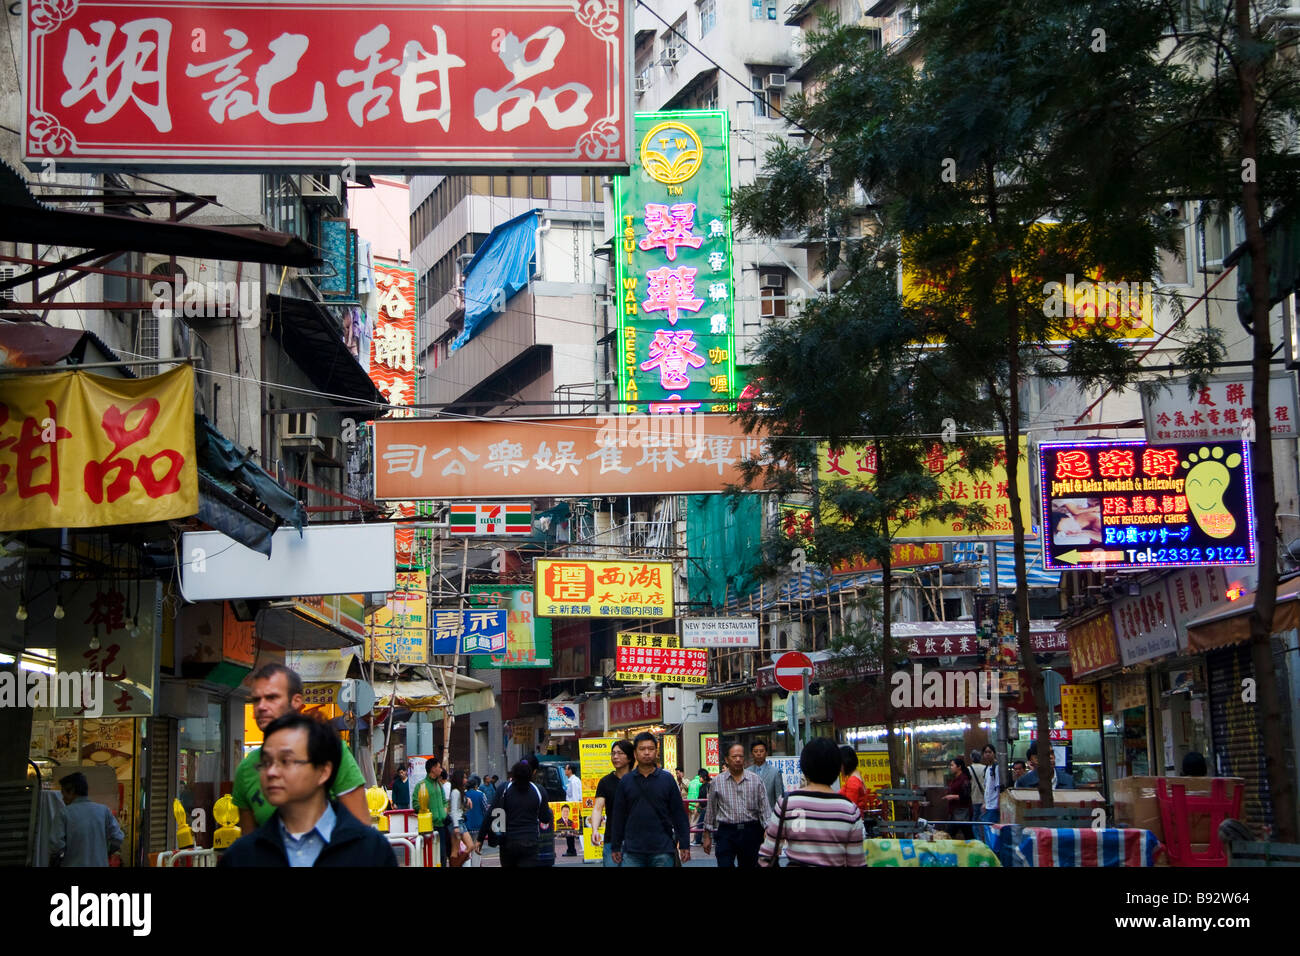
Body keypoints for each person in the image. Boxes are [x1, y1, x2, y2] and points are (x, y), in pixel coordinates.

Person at [219, 713, 397, 867]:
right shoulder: (241, 856)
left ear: (323, 771)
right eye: (266, 762)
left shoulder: (371, 850)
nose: (271, 772)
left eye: (286, 761)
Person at [233, 664, 369, 833]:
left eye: (272, 697)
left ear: (296, 701)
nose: (261, 706)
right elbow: (250, 848)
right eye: (256, 699)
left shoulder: (332, 751)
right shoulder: (246, 769)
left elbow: (362, 833)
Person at [758, 738, 866, 867]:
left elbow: (767, 856)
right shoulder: (850, 810)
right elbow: (857, 863)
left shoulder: (787, 804)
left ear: (804, 766)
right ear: (838, 768)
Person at [608, 732, 692, 867]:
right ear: (635, 753)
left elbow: (678, 815)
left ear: (656, 752)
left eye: (651, 749)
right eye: (642, 749)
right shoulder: (626, 781)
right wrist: (616, 845)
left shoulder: (667, 779)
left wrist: (684, 844)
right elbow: (618, 816)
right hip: (632, 850)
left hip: (662, 849)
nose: (647, 753)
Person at [702, 742, 770, 867]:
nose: (738, 759)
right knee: (724, 863)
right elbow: (711, 810)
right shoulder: (717, 782)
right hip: (726, 832)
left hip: (751, 831)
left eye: (741, 756)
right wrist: (707, 835)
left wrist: (767, 829)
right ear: (727, 760)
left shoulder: (755, 780)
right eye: (734, 757)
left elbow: (764, 808)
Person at [477, 760, 553, 868]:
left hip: (508, 841)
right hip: (530, 840)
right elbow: (545, 818)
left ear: (513, 774)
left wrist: (480, 839)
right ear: (531, 774)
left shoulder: (504, 789)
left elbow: (491, 813)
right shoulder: (539, 790)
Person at [50, 772, 123, 867]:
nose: (63, 799)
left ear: (72, 791)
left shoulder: (64, 813)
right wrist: (104, 852)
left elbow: (56, 844)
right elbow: (118, 838)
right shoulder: (104, 811)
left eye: (63, 794)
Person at [592, 739, 635, 866]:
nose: (615, 757)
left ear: (629, 757)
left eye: (620, 753)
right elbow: (598, 808)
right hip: (612, 838)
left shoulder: (637, 780)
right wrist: (595, 829)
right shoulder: (605, 782)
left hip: (635, 840)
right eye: (613, 753)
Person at [414, 756, 450, 865]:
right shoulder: (421, 786)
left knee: (442, 856)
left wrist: (444, 811)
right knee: (430, 857)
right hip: (429, 827)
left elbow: (444, 801)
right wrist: (426, 812)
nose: (441, 769)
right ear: (433, 769)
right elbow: (415, 804)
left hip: (441, 825)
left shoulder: (439, 784)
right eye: (439, 767)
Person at [750, 739, 785, 817]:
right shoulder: (747, 772)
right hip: (751, 818)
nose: (758, 754)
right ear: (752, 754)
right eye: (755, 751)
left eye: (761, 751)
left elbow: (779, 797)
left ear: (766, 753)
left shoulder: (775, 772)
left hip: (770, 816)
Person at [448, 769, 475, 867]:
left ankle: (456, 864)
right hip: (457, 823)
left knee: (456, 850)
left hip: (459, 822)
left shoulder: (459, 791)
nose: (466, 779)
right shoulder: (456, 792)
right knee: (467, 846)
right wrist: (456, 826)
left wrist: (467, 801)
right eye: (464, 777)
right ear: (459, 779)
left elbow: (459, 810)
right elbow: (454, 810)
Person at [943, 757, 973, 838]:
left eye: (952, 765)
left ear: (959, 767)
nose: (951, 767)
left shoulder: (964, 779)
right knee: (964, 834)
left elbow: (966, 796)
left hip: (962, 812)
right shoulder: (955, 778)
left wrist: (952, 796)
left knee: (966, 834)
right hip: (954, 811)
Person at [463, 775, 488, 867]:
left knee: (466, 850)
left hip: (466, 827)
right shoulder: (481, 794)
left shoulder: (464, 795)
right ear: (476, 786)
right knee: (476, 851)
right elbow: (486, 810)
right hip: (479, 827)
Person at [838, 746, 870, 815]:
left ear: (844, 763)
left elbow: (850, 808)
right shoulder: (857, 777)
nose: (839, 768)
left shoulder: (853, 781)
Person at [976, 744, 1003, 825]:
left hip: (994, 805)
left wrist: (998, 804)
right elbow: (986, 788)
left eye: (989, 752)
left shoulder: (997, 768)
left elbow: (998, 787)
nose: (987, 754)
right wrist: (984, 803)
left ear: (994, 753)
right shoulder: (987, 768)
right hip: (988, 805)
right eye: (985, 752)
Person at [563, 762, 583, 856]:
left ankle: (571, 850)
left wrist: (573, 810)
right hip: (571, 808)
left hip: (572, 808)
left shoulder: (574, 781)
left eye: (566, 769)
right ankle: (570, 849)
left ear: (570, 770)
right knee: (569, 830)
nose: (564, 771)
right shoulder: (572, 780)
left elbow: (575, 797)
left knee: (570, 830)